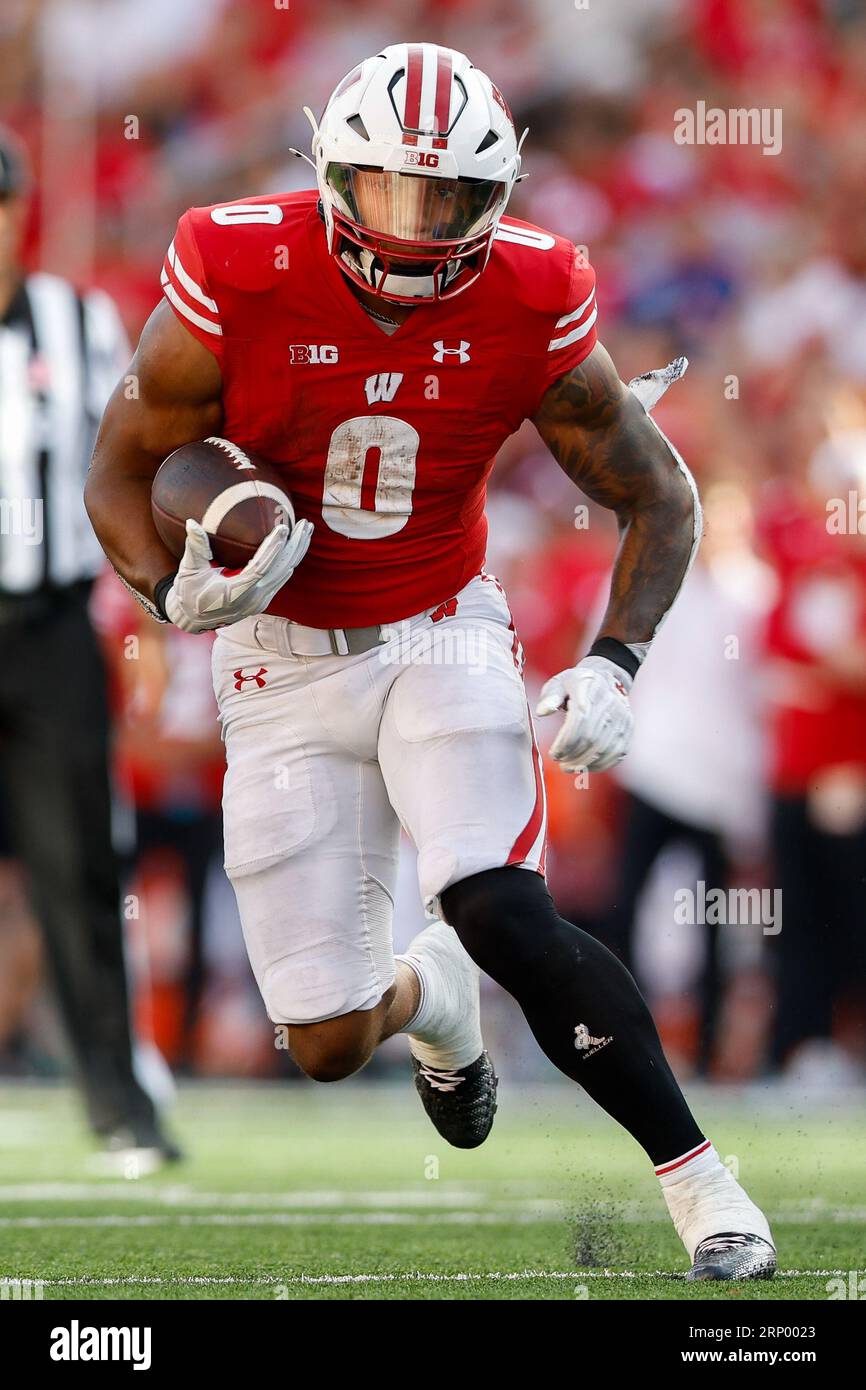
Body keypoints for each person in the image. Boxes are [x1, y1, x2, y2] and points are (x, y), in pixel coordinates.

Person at [85, 44, 773, 1278]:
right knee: (326, 1038)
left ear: (495, 195)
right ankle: (433, 1003)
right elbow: (121, 469)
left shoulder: (531, 288)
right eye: (389, 188)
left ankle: (706, 1192)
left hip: (437, 626)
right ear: (330, 174)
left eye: (446, 196)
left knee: (499, 906)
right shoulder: (235, 260)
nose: (413, 226)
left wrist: (614, 660)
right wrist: (168, 589)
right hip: (275, 657)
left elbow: (657, 492)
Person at [0, 127, 177, 1162]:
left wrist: (147, 616)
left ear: (21, 211)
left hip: (52, 626)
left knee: (76, 866)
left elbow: (131, 469)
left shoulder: (79, 323)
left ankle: (119, 1100)